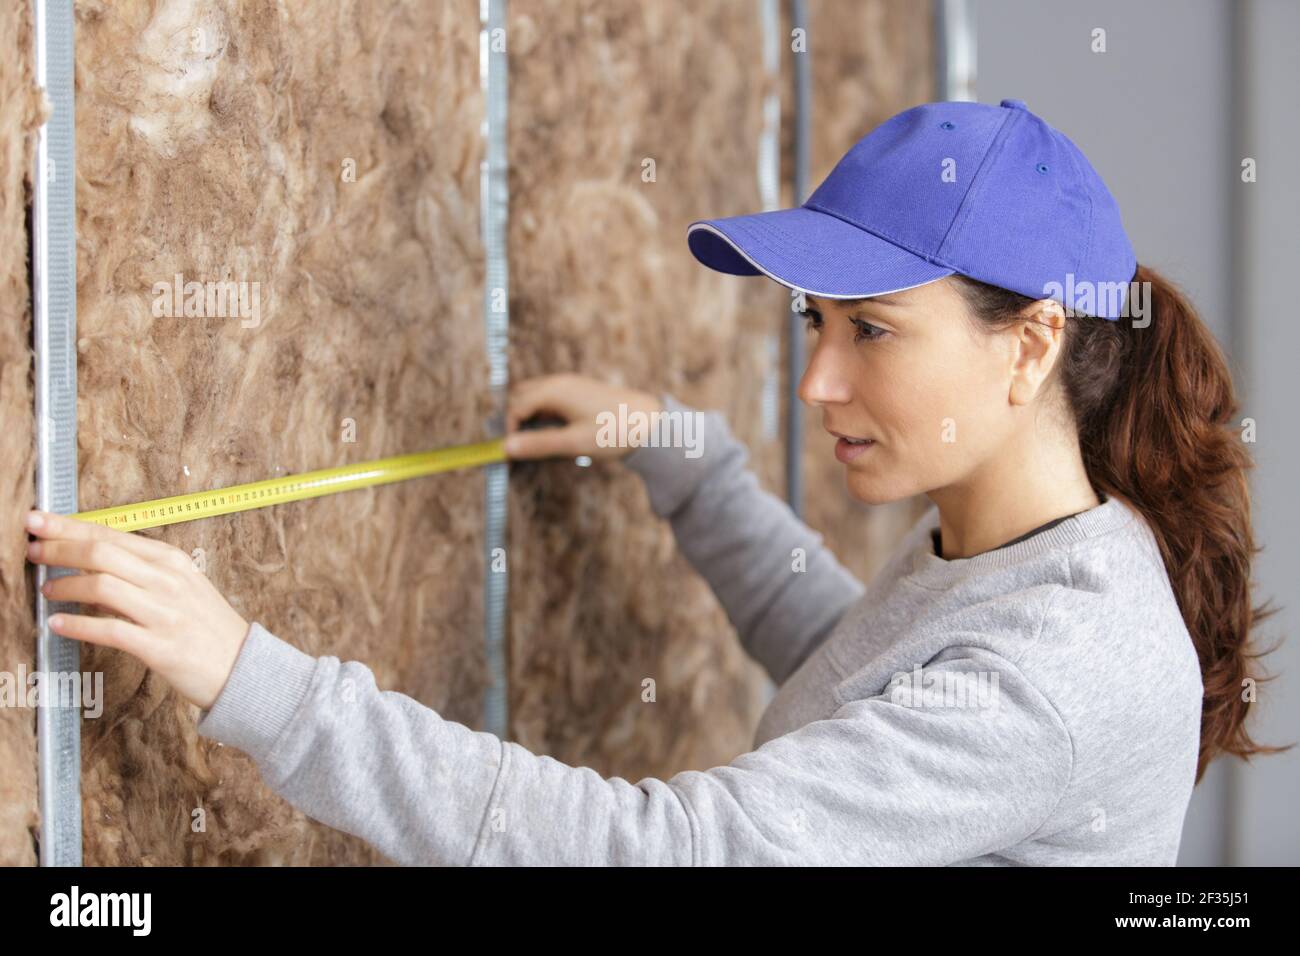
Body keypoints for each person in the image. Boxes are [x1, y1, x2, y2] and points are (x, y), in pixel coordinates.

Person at [24, 99, 1284, 865]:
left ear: (1029, 346)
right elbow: (853, 667)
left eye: (873, 331)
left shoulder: (1061, 664)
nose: (818, 384)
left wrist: (256, 677)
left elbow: (675, 851)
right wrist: (683, 458)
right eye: (814, 326)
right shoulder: (1018, 538)